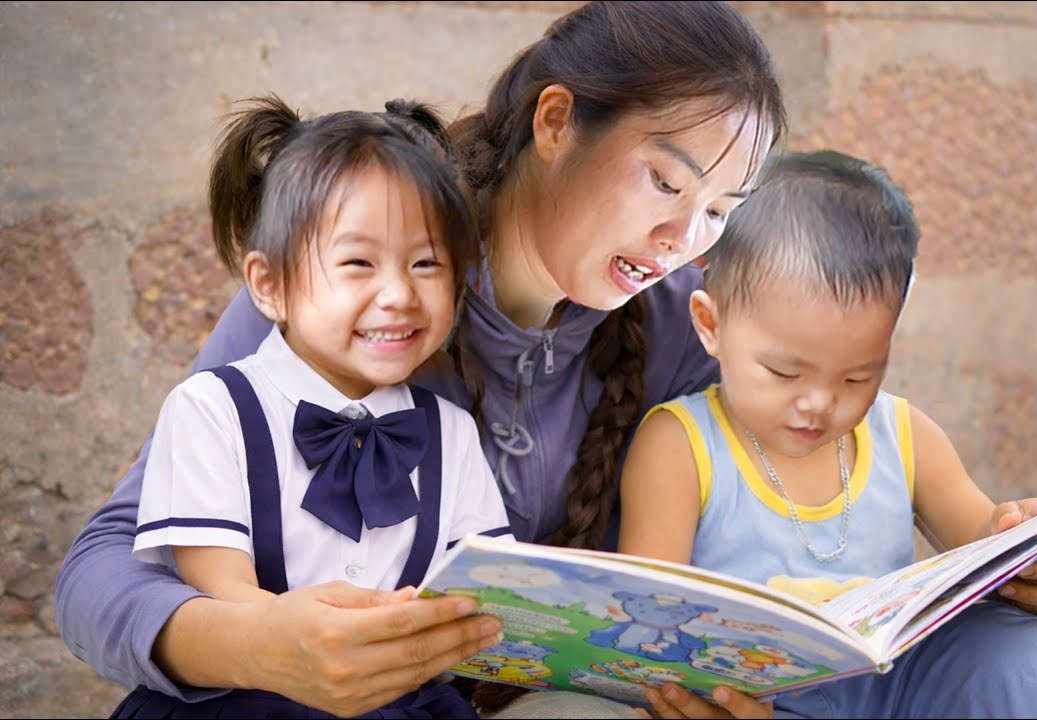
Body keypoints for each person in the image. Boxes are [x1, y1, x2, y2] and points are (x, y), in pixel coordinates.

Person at [54, 2, 788, 718]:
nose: (680, 239)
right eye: (665, 182)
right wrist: (257, 646)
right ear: (556, 122)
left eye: (719, 210)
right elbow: (99, 572)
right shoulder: (349, 291)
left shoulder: (692, 328)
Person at [616, 150, 1037, 719]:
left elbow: (983, 544)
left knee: (1016, 640)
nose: (819, 403)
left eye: (857, 376)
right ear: (711, 324)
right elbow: (648, 616)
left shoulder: (903, 434)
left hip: (896, 693)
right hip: (758, 700)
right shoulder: (680, 444)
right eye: (784, 372)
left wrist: (1032, 543)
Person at [109, 94, 518, 718]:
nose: (398, 293)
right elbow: (221, 591)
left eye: (426, 263)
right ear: (270, 284)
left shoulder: (452, 433)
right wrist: (320, 648)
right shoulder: (213, 409)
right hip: (245, 699)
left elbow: (483, 600)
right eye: (358, 262)